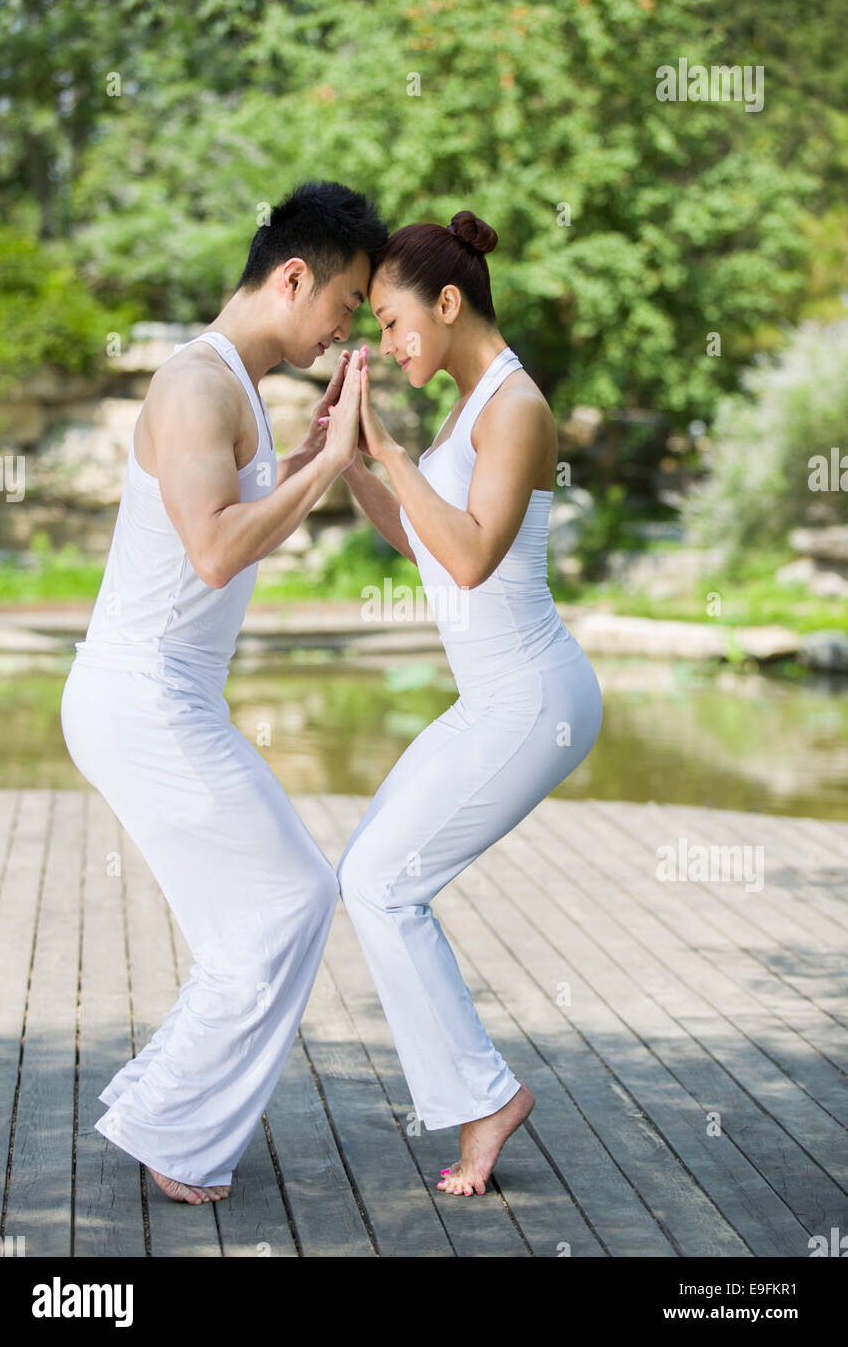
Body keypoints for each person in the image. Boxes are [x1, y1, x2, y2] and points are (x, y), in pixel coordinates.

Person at [60, 180, 387, 1204]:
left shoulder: (238, 389)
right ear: (293, 276)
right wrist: (327, 467)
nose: (345, 330)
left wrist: (299, 455)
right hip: (140, 695)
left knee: (265, 908)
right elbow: (211, 552)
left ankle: (164, 1104)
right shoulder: (197, 385)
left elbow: (225, 508)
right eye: (344, 305)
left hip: (161, 696)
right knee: (288, 896)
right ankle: (172, 1130)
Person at [330, 210, 604, 1198]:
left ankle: (483, 1099)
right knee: (365, 872)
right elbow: (425, 545)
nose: (389, 342)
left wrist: (388, 449)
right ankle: (479, 1095)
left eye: (396, 322)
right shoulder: (463, 401)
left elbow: (474, 551)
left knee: (381, 884)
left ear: (448, 304)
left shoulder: (513, 404)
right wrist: (350, 459)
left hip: (533, 700)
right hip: (492, 698)